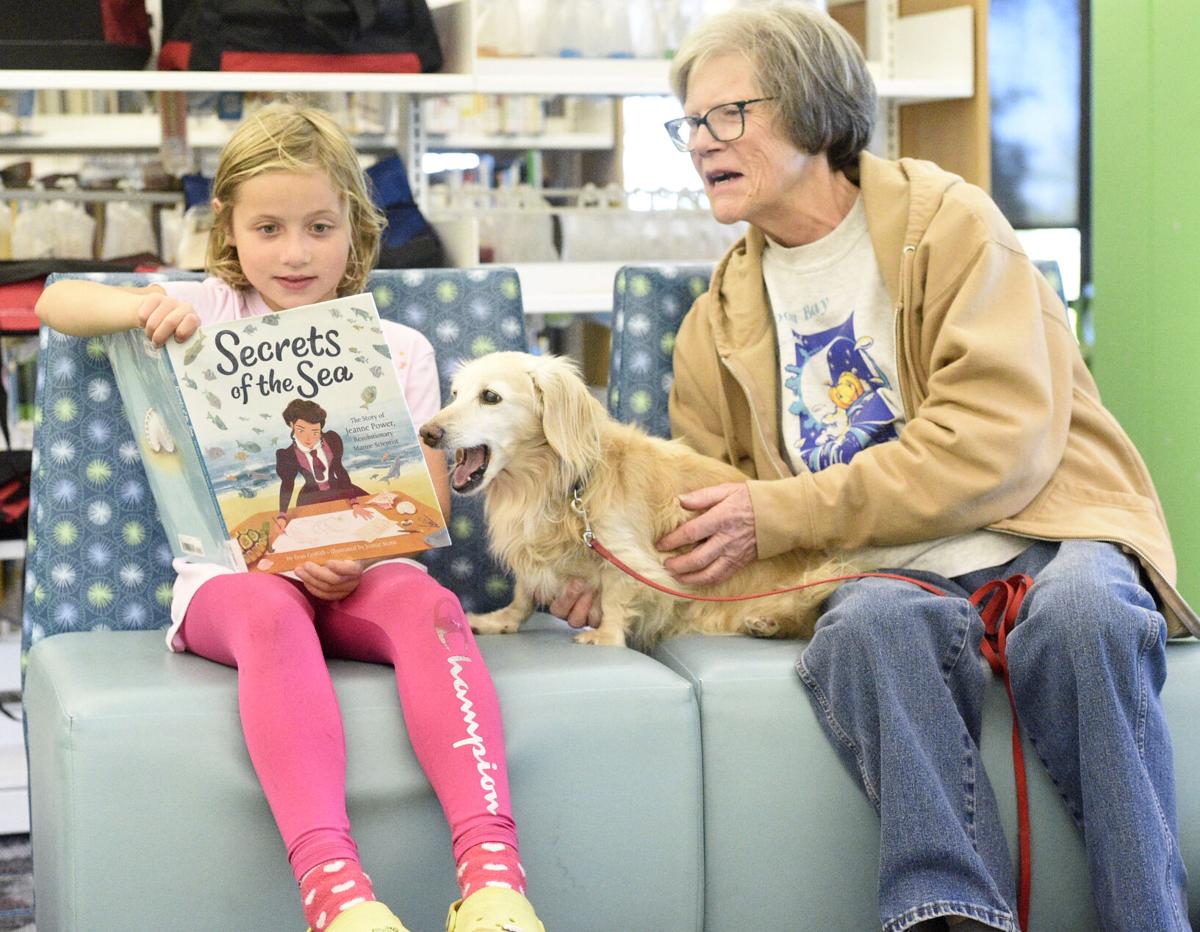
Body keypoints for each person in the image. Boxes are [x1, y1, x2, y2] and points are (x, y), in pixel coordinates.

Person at [554, 5, 1197, 930]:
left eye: (727, 114)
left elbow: (994, 446)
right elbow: (706, 514)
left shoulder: (951, 225)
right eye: (689, 123)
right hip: (872, 573)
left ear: (813, 110)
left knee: (1087, 615)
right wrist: (615, 568)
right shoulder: (711, 325)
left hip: (1043, 530)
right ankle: (950, 917)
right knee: (869, 630)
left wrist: (780, 512)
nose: (700, 143)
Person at [36, 102, 544, 932]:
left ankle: (494, 879)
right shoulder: (207, 313)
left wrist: (359, 553)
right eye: (267, 229)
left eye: (319, 227)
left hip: (361, 573)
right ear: (229, 230)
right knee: (272, 609)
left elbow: (426, 504)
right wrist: (141, 309)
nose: (295, 253)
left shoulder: (399, 347)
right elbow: (58, 302)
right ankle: (335, 893)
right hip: (234, 585)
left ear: (355, 227)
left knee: (429, 604)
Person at [275, 397, 373, 526]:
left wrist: (354, 502)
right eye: (301, 430)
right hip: (311, 496)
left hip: (339, 489)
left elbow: (340, 470)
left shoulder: (332, 440)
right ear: (292, 425)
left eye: (315, 432)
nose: (308, 438)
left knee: (371, 512)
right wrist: (282, 515)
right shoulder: (287, 455)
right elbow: (287, 485)